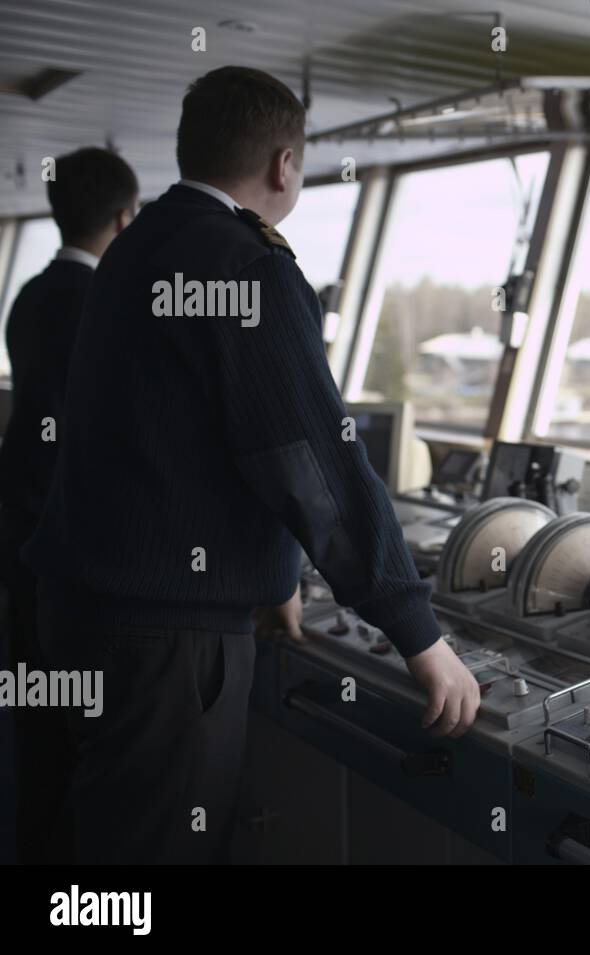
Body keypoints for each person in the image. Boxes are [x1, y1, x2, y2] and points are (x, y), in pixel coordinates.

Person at [23, 66, 479, 864]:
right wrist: (418, 630)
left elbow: (174, 436)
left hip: (80, 610)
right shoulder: (247, 268)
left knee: (91, 837)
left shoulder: (134, 251)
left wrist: (271, 582)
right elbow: (313, 461)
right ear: (283, 166)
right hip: (166, 642)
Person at [0, 147, 138, 864]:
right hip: (80, 557)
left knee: (38, 723)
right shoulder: (105, 304)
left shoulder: (27, 295)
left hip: (22, 533)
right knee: (86, 741)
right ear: (125, 217)